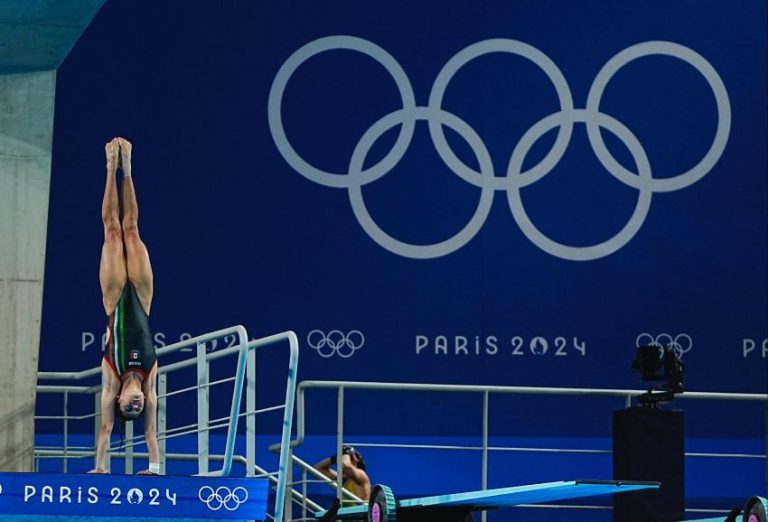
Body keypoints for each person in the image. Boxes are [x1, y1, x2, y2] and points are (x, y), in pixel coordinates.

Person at [89, 137, 159, 475]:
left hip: (114, 300)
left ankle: (110, 168)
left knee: (112, 231)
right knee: (131, 229)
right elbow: (151, 432)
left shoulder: (111, 382)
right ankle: (128, 167)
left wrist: (101, 467)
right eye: (138, 409)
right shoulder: (150, 381)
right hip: (143, 300)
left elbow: (105, 429)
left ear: (118, 401)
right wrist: (154, 467)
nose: (136, 405)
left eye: (128, 409)